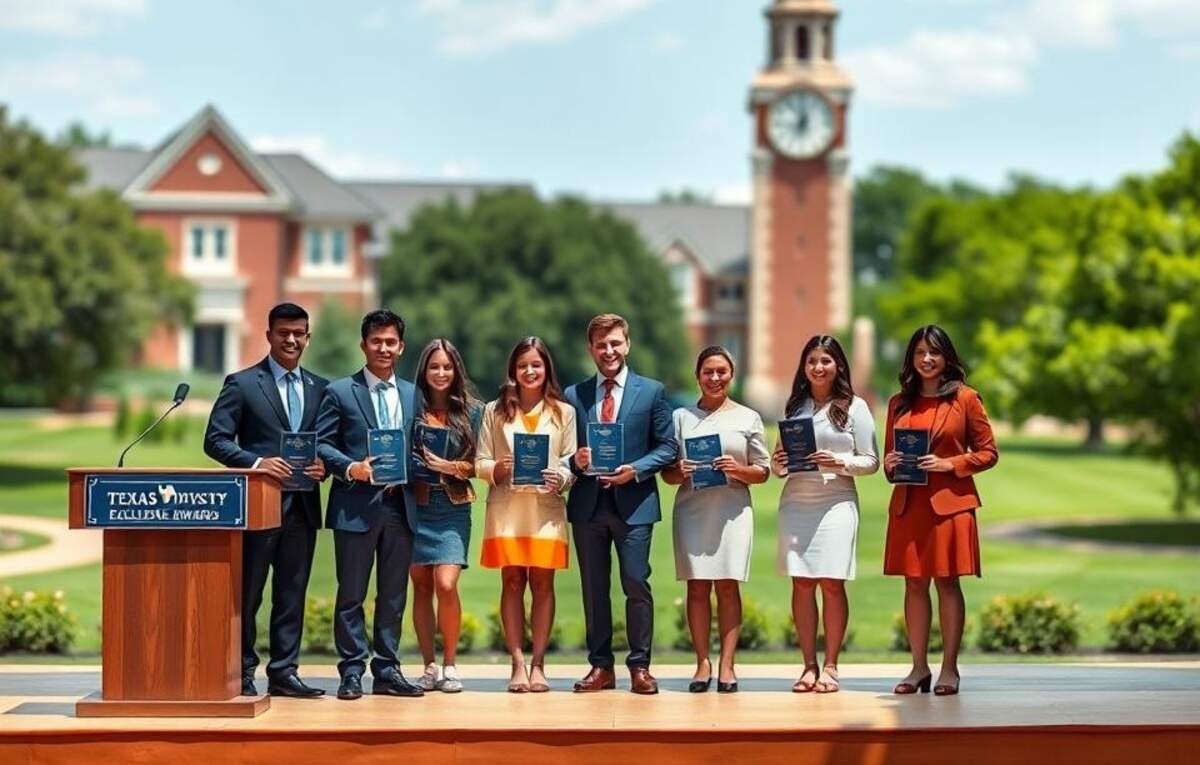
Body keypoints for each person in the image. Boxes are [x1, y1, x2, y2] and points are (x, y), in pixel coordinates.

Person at [203, 302, 328, 698]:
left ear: (308, 337)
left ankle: (284, 673)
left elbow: (327, 445)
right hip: (257, 505)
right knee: (249, 592)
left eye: (299, 333)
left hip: (303, 507)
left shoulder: (321, 388)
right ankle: (239, 671)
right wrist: (257, 463)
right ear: (269, 334)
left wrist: (324, 465)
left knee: (291, 594)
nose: (291, 340)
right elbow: (216, 441)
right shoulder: (241, 383)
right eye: (283, 333)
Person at [564, 313, 677, 695]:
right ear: (591, 349)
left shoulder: (652, 392)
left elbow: (667, 446)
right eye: (601, 345)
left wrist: (637, 469)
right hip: (588, 505)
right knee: (594, 589)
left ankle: (640, 666)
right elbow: (563, 453)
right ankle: (600, 667)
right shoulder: (573, 396)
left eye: (615, 343)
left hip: (635, 503)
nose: (608, 351)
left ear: (627, 345)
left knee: (635, 583)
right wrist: (573, 462)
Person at [884, 324, 998, 697]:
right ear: (911, 359)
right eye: (919, 353)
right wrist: (891, 463)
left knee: (947, 582)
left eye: (933, 352)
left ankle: (950, 668)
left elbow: (988, 452)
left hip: (950, 505)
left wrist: (951, 464)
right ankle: (918, 668)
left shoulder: (966, 398)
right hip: (909, 504)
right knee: (913, 583)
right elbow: (888, 463)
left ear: (946, 357)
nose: (926, 359)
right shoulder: (898, 404)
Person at [316, 309, 424, 700]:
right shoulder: (340, 392)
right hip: (356, 506)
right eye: (376, 341)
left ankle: (388, 669)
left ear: (401, 346)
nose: (383, 348)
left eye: (390, 341)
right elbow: (322, 444)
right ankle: (351, 671)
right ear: (364, 345)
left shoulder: (414, 394)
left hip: (401, 506)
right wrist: (351, 468)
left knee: (394, 595)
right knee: (352, 594)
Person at [771, 335, 878, 694]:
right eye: (812, 360)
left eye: (826, 361)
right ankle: (807, 666)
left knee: (832, 582)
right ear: (804, 366)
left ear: (838, 366)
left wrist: (841, 462)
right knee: (801, 582)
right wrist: (779, 464)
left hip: (837, 502)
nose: (818, 367)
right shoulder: (794, 407)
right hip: (796, 502)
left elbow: (872, 461)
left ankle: (831, 665)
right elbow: (776, 462)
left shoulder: (855, 407)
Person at [662, 346, 769, 694]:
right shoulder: (681, 417)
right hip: (692, 510)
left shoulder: (749, 418)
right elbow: (668, 474)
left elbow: (763, 471)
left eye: (721, 371)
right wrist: (680, 470)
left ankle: (727, 664)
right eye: (708, 371)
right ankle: (702, 663)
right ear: (698, 376)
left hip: (733, 511)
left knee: (727, 584)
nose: (715, 378)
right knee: (696, 586)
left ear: (731, 375)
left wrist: (738, 471)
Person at [475, 336, 577, 693]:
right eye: (522, 366)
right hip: (507, 510)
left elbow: (570, 461)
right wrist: (497, 470)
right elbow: (480, 461)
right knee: (513, 583)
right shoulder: (493, 410)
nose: (529, 371)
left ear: (546, 367)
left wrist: (561, 477)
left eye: (536, 364)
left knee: (543, 584)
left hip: (546, 512)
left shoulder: (564, 413)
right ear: (513, 371)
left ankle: (539, 665)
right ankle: (517, 664)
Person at [409, 338, 482, 694]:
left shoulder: (473, 411)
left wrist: (450, 466)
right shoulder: (409, 407)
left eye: (447, 367)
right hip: (414, 507)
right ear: (424, 370)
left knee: (446, 583)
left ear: (456, 371)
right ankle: (429, 667)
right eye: (434, 366)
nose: (440, 373)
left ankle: (451, 664)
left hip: (452, 508)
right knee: (420, 586)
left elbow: (480, 464)